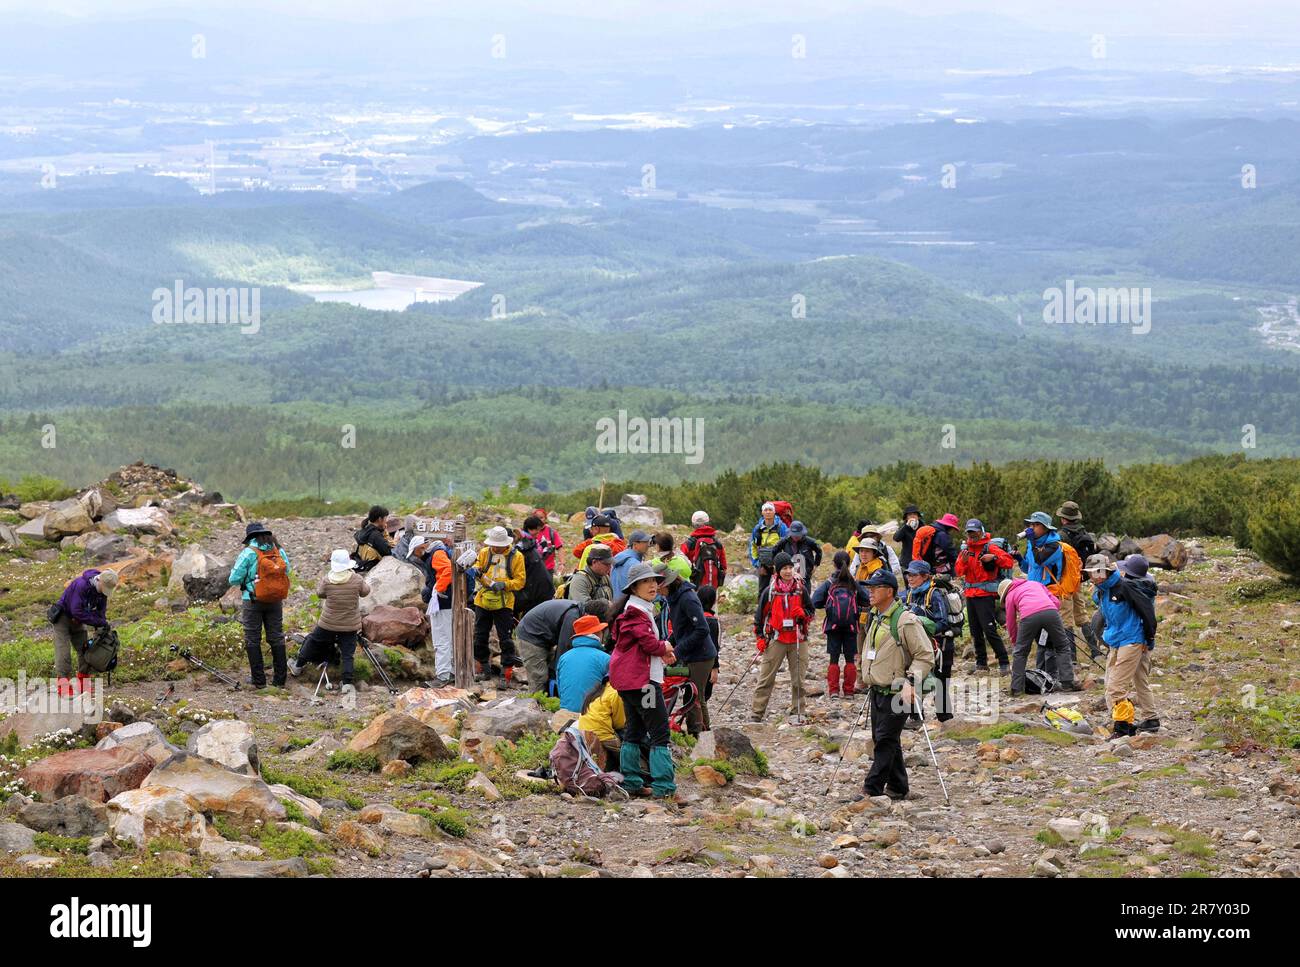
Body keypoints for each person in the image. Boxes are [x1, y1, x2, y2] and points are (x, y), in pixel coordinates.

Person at [858, 568, 934, 800]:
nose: (870, 592)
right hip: (878, 690)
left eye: (875, 588)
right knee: (887, 739)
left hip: (899, 691)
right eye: (868, 587)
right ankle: (898, 786)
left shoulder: (905, 621)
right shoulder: (876, 615)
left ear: (889, 591)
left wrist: (911, 682)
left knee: (885, 740)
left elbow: (925, 655)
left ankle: (871, 789)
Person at [608, 561, 676, 798]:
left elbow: (645, 646)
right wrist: (666, 646)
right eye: (646, 582)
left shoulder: (637, 609)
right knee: (659, 731)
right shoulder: (637, 613)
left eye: (654, 580)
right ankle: (664, 786)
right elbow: (649, 644)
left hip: (632, 682)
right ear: (634, 587)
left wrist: (662, 651)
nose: (652, 585)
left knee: (634, 730)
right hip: (643, 684)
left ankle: (632, 781)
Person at [1088, 554, 1159, 737]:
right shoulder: (1102, 590)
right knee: (1122, 683)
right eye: (1090, 573)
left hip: (1132, 639)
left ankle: (1122, 727)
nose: (1093, 576)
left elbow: (1147, 612)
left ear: (1106, 571)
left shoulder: (1125, 586)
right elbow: (1102, 610)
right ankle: (1148, 719)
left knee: (1116, 687)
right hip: (1116, 639)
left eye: (1097, 572)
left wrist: (1149, 639)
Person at [289, 549, 370, 699]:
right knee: (348, 653)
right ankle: (346, 683)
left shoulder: (327, 580)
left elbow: (320, 593)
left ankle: (298, 666)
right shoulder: (356, 579)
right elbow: (366, 591)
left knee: (313, 641)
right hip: (350, 624)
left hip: (328, 623)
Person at [751, 552, 813, 724]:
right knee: (766, 678)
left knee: (798, 680)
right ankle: (757, 713)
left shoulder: (801, 589)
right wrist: (760, 637)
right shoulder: (769, 591)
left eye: (790, 568)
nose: (788, 571)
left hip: (798, 639)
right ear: (777, 571)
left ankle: (798, 711)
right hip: (776, 639)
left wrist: (803, 614)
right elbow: (759, 617)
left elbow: (811, 612)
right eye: (784, 568)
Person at [228, 522, 292, 688]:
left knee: (252, 638)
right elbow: (287, 570)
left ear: (250, 537)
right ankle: (280, 680)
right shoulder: (278, 550)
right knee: (276, 636)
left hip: (253, 600)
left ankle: (259, 680)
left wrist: (249, 579)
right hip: (275, 600)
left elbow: (233, 579)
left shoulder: (249, 553)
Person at [660, 561, 716, 738]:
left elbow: (702, 629)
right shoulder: (673, 597)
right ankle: (702, 733)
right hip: (691, 653)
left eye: (657, 586)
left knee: (694, 696)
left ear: (666, 584)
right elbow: (679, 629)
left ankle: (699, 735)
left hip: (701, 655)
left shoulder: (687, 598)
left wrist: (676, 651)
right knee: (694, 694)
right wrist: (666, 646)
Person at [999, 576, 1079, 696]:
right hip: (1051, 612)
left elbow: (1011, 622)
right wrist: (1050, 618)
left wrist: (1016, 642)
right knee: (1062, 646)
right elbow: (1056, 602)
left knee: (1020, 653)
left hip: (1028, 617)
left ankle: (1017, 689)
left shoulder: (1010, 595)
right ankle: (1067, 683)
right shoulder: (1034, 583)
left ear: (1004, 593)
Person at [954, 518, 1014, 675]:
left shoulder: (990, 547)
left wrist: (994, 558)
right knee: (975, 631)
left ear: (981, 531)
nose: (972, 535)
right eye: (969, 532)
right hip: (970, 594)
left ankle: (1004, 662)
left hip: (986, 594)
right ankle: (981, 664)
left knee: (989, 630)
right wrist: (965, 562)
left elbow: (1008, 562)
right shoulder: (965, 549)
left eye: (974, 532)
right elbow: (959, 572)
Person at [517, 598, 611, 697]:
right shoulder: (572, 617)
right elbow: (564, 650)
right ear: (592, 616)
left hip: (544, 635)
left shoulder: (579, 611)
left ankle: (547, 701)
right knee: (539, 677)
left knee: (548, 672)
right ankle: (533, 706)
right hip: (530, 634)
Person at [468, 525, 527, 682]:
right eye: (494, 545)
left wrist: (505, 585)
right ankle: (483, 669)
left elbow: (520, 581)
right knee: (480, 635)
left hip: (505, 602)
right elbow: (477, 568)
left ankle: (506, 674)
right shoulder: (484, 553)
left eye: (499, 545)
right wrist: (476, 572)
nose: (496, 548)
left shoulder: (517, 557)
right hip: (483, 599)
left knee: (505, 638)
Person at [51, 567, 118, 697]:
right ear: (99, 581)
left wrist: (101, 626)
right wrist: (96, 622)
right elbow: (76, 611)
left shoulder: (102, 592)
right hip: (63, 618)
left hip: (78, 621)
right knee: (63, 653)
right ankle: (63, 687)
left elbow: (100, 612)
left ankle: (83, 683)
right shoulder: (81, 585)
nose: (105, 593)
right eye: (104, 589)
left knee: (86, 650)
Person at [811, 550, 868, 700]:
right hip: (851, 626)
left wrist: (829, 606)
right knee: (850, 659)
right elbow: (868, 600)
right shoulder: (853, 583)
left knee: (834, 659)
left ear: (833, 564)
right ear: (849, 564)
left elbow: (815, 601)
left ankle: (834, 691)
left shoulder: (830, 583)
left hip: (833, 626)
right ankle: (849, 691)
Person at [902, 559, 954, 720]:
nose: (909, 578)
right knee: (914, 677)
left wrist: (922, 627)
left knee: (940, 681)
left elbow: (943, 622)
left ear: (925, 576)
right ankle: (915, 716)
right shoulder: (910, 594)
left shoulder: (935, 594)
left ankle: (945, 718)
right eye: (908, 575)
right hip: (919, 645)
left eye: (914, 575)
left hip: (942, 644)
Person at [1057, 501, 1102, 659]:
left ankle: (1072, 659)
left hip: (1064, 580)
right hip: (1079, 579)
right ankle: (1095, 651)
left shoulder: (1060, 536)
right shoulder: (1086, 534)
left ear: (1063, 519)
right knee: (1082, 614)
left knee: (1066, 617)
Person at [414, 536, 456, 685]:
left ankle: (443, 676)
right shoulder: (438, 552)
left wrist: (438, 589)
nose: (415, 556)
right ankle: (451, 672)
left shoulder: (436, 555)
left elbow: (448, 570)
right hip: (446, 601)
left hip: (443, 601)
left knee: (441, 638)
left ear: (420, 548)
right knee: (448, 637)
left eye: (414, 552)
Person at [555, 614, 611, 712]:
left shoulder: (563, 658)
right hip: (593, 715)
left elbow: (561, 690)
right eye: (601, 630)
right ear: (597, 633)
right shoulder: (605, 658)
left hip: (566, 712)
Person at [578, 678, 626, 772]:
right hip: (601, 735)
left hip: (584, 733)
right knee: (630, 756)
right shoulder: (616, 693)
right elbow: (619, 724)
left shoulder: (599, 691)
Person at [513, 516, 556, 617]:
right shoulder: (522, 548)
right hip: (531, 594)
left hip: (538, 592)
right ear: (530, 529)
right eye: (537, 532)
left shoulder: (532, 545)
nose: (538, 535)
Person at [748, 501, 789, 596]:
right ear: (762, 513)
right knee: (762, 592)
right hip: (763, 565)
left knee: (780, 590)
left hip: (778, 565)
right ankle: (762, 610)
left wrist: (782, 565)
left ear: (774, 512)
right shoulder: (757, 529)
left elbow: (786, 546)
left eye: (770, 510)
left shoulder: (781, 527)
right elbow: (753, 547)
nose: (768, 512)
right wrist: (758, 565)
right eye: (765, 510)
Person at [681, 511, 728, 589]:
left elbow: (681, 562)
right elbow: (724, 567)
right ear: (708, 523)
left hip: (695, 584)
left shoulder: (689, 543)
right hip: (713, 584)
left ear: (693, 525)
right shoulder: (717, 543)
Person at [774, 520, 822, 587]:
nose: (796, 537)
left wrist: (816, 564)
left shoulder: (809, 542)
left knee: (805, 594)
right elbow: (775, 550)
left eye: (798, 535)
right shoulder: (784, 541)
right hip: (789, 574)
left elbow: (819, 551)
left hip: (805, 574)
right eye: (794, 535)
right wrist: (778, 565)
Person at [697, 583, 722, 707]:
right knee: (703, 697)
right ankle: (701, 724)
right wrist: (715, 668)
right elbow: (714, 646)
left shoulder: (695, 617)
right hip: (707, 663)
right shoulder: (712, 621)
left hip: (692, 661)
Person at [610, 530, 651, 601]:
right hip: (629, 604)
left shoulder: (619, 557)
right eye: (645, 542)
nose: (648, 545)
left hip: (616, 604)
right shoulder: (634, 564)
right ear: (635, 545)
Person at [352, 505, 392, 572]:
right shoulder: (375, 535)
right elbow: (388, 552)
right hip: (373, 568)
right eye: (385, 518)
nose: (386, 521)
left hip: (362, 562)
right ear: (380, 519)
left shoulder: (364, 530)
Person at [532, 508, 564, 575]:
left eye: (541, 517)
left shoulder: (551, 532)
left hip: (548, 569)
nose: (539, 520)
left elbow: (560, 547)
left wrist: (562, 563)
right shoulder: (530, 532)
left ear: (545, 518)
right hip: (533, 569)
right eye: (536, 517)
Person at [893, 505, 924, 571]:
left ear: (918, 516)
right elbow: (896, 538)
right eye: (910, 514)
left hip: (921, 560)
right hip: (906, 561)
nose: (912, 516)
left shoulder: (923, 526)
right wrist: (906, 526)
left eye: (915, 514)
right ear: (906, 517)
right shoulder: (904, 527)